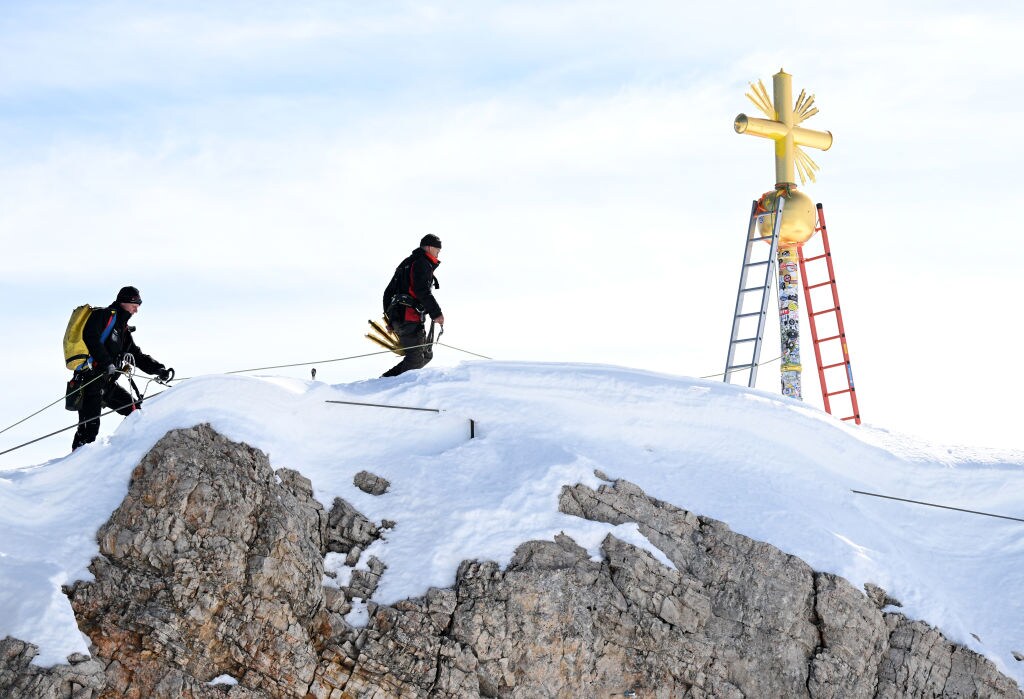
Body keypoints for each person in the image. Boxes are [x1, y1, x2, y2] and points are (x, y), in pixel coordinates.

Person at [71, 286, 173, 451]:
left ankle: (127, 453)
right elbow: (90, 336)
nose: (136, 309)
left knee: (135, 411)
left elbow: (137, 356)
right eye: (135, 304)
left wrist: (159, 369)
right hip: (91, 381)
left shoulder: (123, 329)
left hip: (107, 383)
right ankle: (74, 466)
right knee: (89, 429)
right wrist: (106, 362)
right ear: (124, 301)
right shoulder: (103, 316)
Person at [381, 234, 444, 377]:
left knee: (425, 355)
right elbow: (421, 290)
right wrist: (436, 313)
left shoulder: (406, 263)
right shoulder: (422, 263)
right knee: (416, 359)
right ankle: (387, 386)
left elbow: (388, 293)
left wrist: (390, 320)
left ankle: (384, 382)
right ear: (429, 247)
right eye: (437, 250)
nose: (439, 253)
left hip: (399, 318)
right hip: (409, 317)